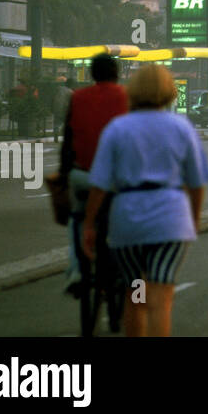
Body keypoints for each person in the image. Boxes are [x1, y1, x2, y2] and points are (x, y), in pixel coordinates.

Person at [81, 64, 208, 337]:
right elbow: (197, 183)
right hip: (169, 222)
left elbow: (100, 184)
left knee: (136, 293)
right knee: (161, 296)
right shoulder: (181, 127)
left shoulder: (118, 128)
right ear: (169, 91)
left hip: (128, 223)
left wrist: (90, 223)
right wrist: (194, 220)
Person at [60, 54, 129, 294]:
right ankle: (135, 290)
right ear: (117, 74)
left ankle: (77, 270)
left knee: (77, 220)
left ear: (91, 74)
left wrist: (63, 174)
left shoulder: (77, 97)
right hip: (116, 179)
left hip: (82, 176)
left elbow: (67, 140)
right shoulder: (126, 97)